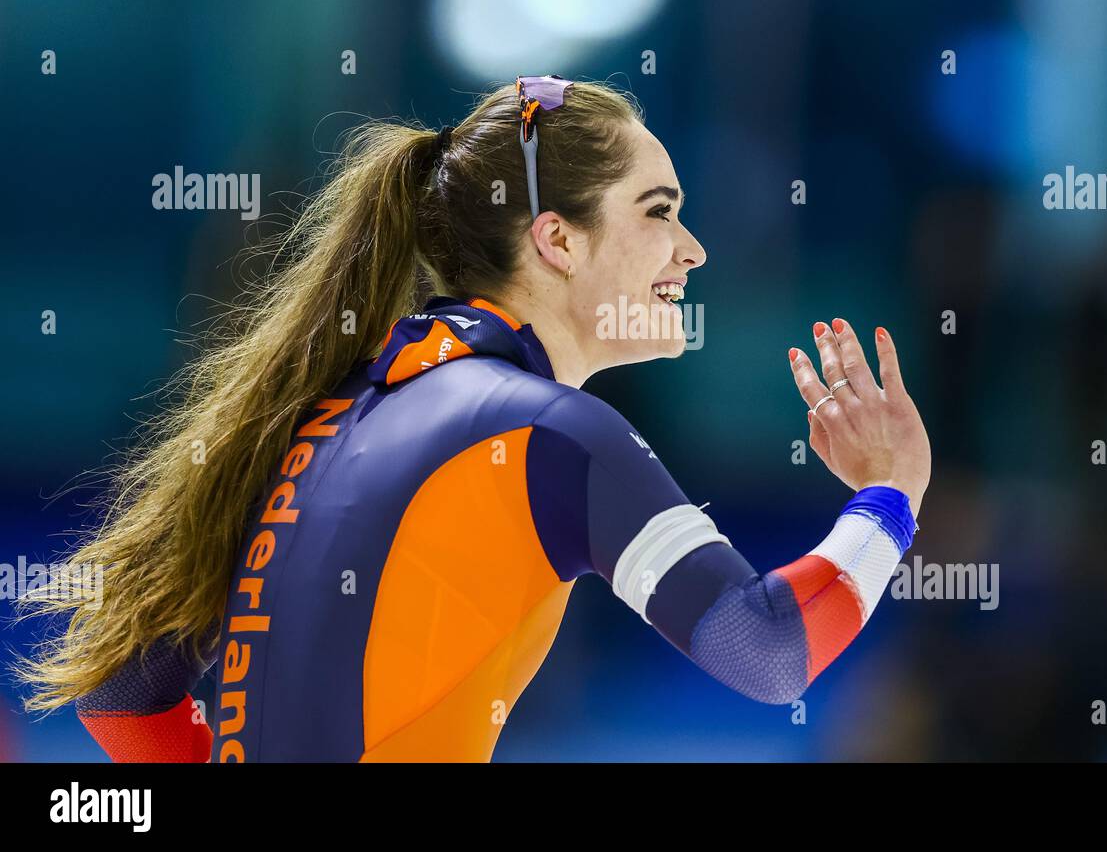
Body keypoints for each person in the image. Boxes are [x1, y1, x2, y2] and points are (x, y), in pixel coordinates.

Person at [18, 76, 931, 761]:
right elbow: (765, 650)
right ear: (558, 239)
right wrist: (891, 494)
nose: (692, 249)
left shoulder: (325, 409)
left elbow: (124, 684)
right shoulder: (548, 433)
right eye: (660, 212)